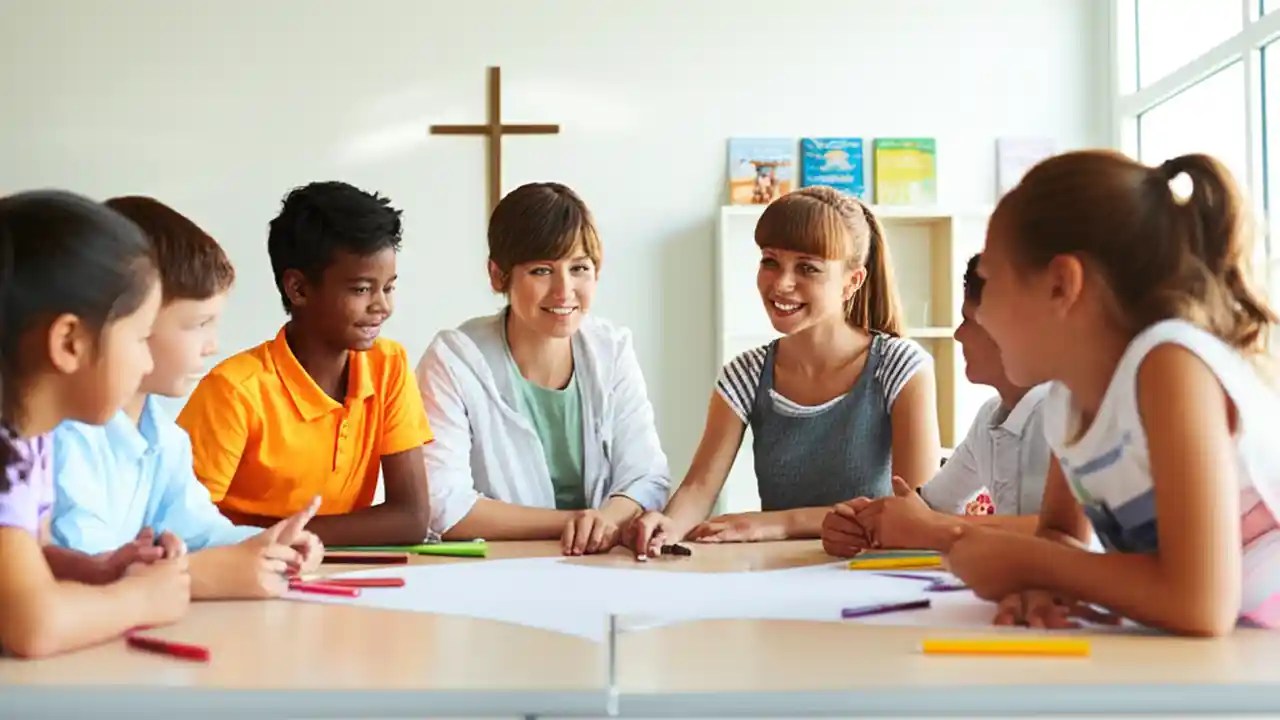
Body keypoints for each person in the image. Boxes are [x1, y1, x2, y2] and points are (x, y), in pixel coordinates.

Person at [944, 151, 1280, 636]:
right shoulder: (1066, 399)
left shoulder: (1169, 365)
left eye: (990, 282)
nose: (981, 317)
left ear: (1061, 285)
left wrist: (1028, 561)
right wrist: (1038, 583)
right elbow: (1060, 536)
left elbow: (1199, 604)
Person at [632, 186, 939, 557]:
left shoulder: (900, 366)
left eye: (807, 268)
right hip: (781, 570)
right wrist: (666, 525)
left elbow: (916, 508)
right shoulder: (745, 374)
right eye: (770, 261)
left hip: (873, 568)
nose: (781, 283)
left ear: (851, 282)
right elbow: (698, 489)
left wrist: (777, 522)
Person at [52, 196, 322, 599]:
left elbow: (196, 530)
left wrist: (269, 545)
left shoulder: (163, 436)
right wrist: (202, 575)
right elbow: (84, 563)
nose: (212, 345)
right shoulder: (63, 433)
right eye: (198, 324)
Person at [417, 182, 669, 555]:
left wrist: (605, 519)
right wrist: (579, 523)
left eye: (579, 268)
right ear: (498, 275)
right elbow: (444, 506)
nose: (564, 290)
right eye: (541, 270)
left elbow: (646, 476)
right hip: (496, 572)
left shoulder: (611, 350)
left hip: (602, 566)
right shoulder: (453, 359)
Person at [178, 182, 432, 546]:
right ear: (298, 289)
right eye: (361, 289)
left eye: (388, 287)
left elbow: (411, 518)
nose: (382, 306)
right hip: (240, 576)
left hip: (335, 573)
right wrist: (282, 537)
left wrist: (265, 531)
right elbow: (183, 530)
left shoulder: (389, 365)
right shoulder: (235, 392)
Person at [0, 190, 189, 657]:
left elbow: (28, 557)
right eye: (142, 337)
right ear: (70, 342)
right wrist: (137, 600)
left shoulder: (31, 439)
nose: (147, 363)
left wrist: (96, 571)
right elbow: (32, 624)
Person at [820, 253, 1050, 557]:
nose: (958, 334)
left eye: (968, 320)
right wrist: (862, 523)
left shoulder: (1062, 415)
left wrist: (928, 527)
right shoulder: (990, 418)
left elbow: (1063, 535)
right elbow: (930, 508)